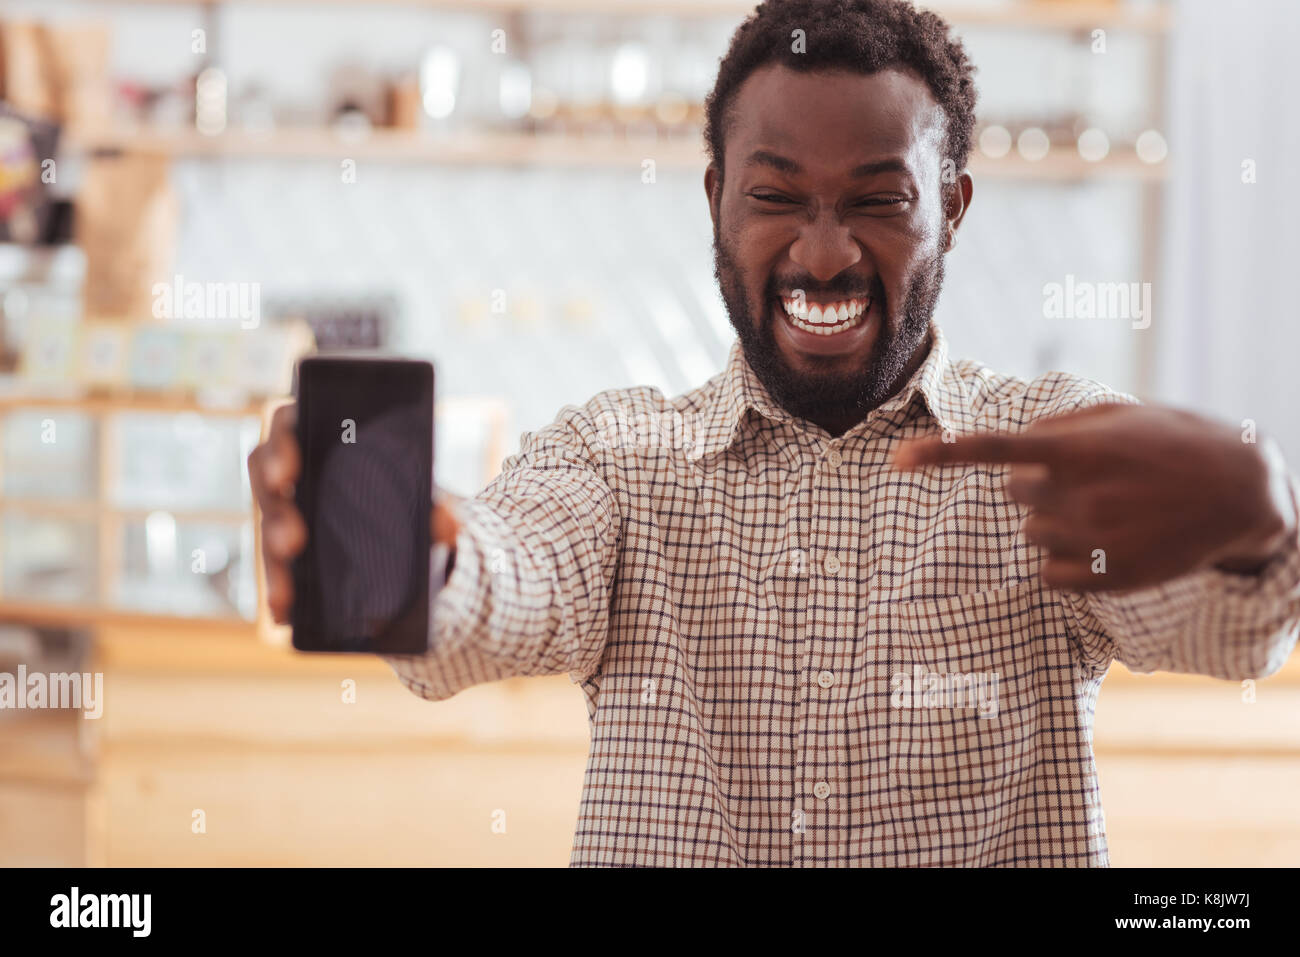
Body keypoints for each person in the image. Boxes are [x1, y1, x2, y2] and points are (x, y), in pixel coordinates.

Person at [248, 0, 1300, 866]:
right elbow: (506, 577)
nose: (826, 252)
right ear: (717, 202)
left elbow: (1225, 633)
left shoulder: (1045, 452)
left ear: (953, 206)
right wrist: (409, 558)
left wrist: (1254, 522)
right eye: (774, 197)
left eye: (879, 202)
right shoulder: (619, 462)